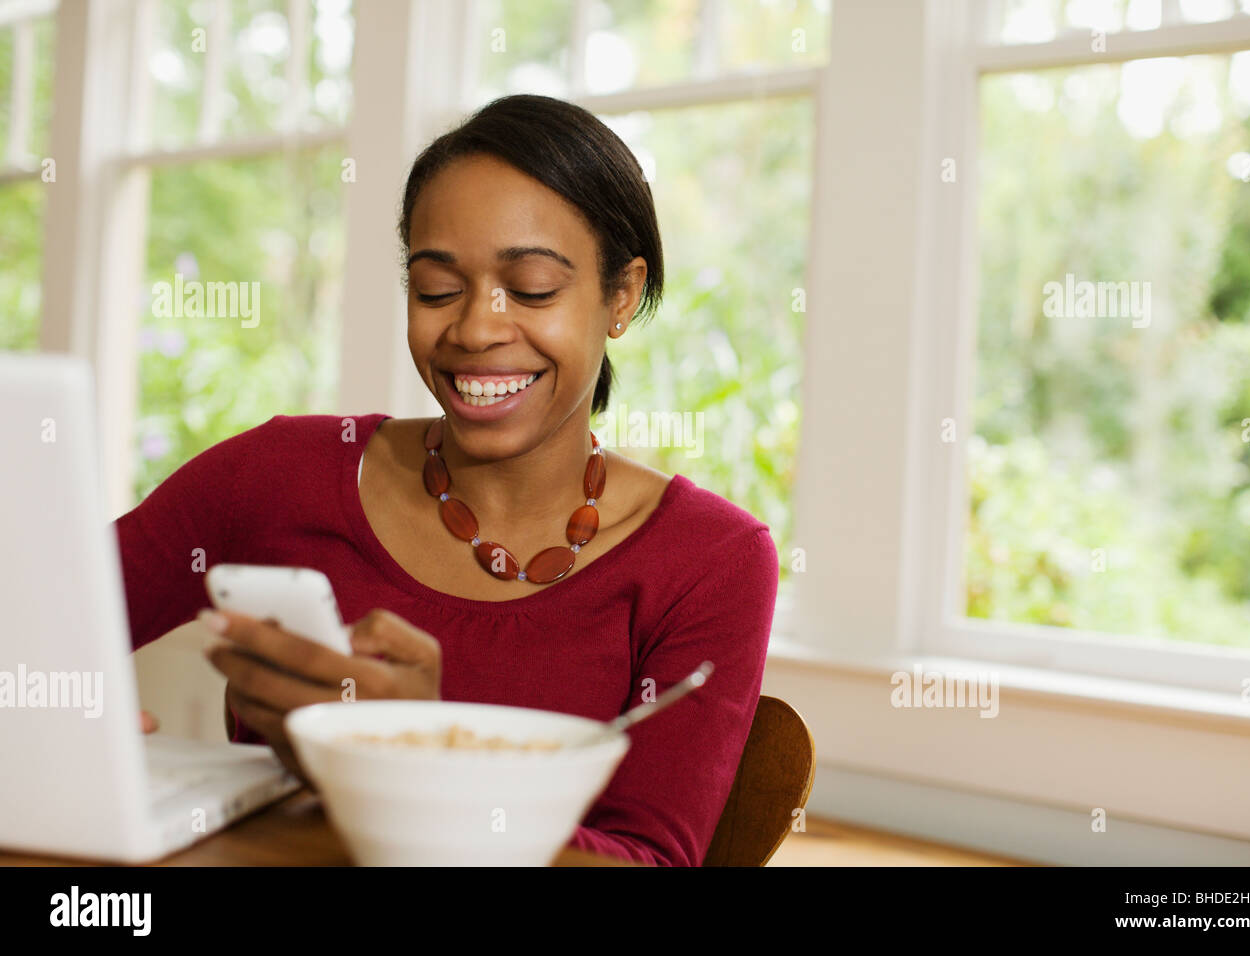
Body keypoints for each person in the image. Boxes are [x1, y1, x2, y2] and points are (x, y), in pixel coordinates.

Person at [117, 94, 779, 867]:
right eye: (436, 288)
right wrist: (60, 712)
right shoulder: (274, 477)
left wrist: (415, 762)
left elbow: (647, 860)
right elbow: (38, 616)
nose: (473, 328)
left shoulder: (710, 562)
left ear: (621, 296)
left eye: (531, 287)